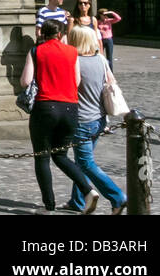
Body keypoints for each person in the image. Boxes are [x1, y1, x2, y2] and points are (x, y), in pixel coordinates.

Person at [20, 20, 101, 212]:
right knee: (61, 155)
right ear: (60, 34)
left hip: (45, 108)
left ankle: (49, 206)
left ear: (43, 33)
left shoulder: (36, 51)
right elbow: (77, 80)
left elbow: (25, 81)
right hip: (70, 109)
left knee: (42, 157)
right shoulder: (72, 52)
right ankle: (88, 190)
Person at [65, 24, 126, 215]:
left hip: (81, 120)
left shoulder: (74, 61)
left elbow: (71, 87)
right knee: (81, 161)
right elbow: (112, 82)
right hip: (99, 118)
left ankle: (117, 197)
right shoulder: (101, 59)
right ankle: (77, 201)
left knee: (86, 163)